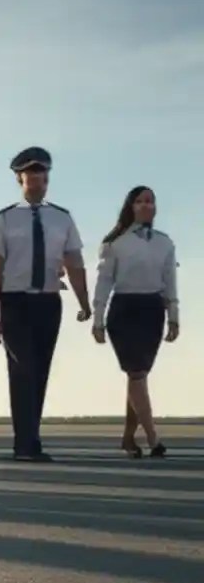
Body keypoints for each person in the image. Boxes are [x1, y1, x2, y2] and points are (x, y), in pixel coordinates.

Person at [0, 146, 91, 462]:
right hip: (15, 302)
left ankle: (30, 438)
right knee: (23, 369)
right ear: (20, 178)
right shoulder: (5, 219)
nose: (37, 178)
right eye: (31, 172)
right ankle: (25, 443)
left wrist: (85, 303)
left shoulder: (62, 218)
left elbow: (74, 262)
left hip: (48, 302)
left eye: (42, 172)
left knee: (40, 370)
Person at [92, 186, 178, 459]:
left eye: (150, 201)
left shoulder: (165, 243)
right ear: (131, 206)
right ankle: (153, 437)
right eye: (139, 201)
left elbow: (170, 281)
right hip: (125, 309)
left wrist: (174, 316)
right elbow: (104, 282)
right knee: (137, 374)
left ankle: (129, 439)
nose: (145, 206)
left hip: (152, 310)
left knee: (137, 376)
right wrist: (98, 318)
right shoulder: (115, 243)